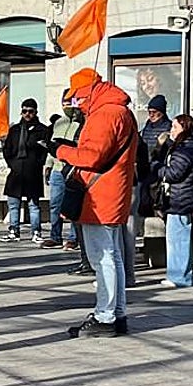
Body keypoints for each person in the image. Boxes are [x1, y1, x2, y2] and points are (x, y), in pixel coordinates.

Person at [50, 68, 137, 338]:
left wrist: (60, 150)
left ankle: (105, 315)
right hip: (112, 191)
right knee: (113, 256)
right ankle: (116, 312)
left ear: (86, 92)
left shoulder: (106, 113)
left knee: (102, 257)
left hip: (100, 195)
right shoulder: (117, 110)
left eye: (77, 98)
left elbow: (93, 156)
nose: (76, 105)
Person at [151, 114, 193, 288]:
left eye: (175, 127)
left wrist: (158, 168)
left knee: (178, 239)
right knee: (177, 237)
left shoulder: (185, 150)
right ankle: (178, 274)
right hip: (184, 196)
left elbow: (174, 173)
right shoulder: (190, 147)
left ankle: (179, 276)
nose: (171, 130)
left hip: (181, 198)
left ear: (184, 128)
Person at [0, 98, 50, 243]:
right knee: (13, 204)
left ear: (36, 112)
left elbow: (44, 151)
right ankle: (13, 231)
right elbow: (7, 149)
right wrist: (11, 164)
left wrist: (38, 164)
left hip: (32, 173)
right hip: (16, 172)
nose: (27, 114)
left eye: (30, 111)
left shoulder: (42, 130)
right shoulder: (15, 129)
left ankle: (36, 232)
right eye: (24, 111)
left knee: (33, 205)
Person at [42, 90, 82, 250]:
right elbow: (52, 146)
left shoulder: (82, 121)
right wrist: (48, 166)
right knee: (55, 204)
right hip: (58, 169)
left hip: (72, 169)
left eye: (69, 102)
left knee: (73, 204)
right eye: (64, 102)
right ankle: (55, 235)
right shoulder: (59, 123)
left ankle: (73, 238)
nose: (66, 106)